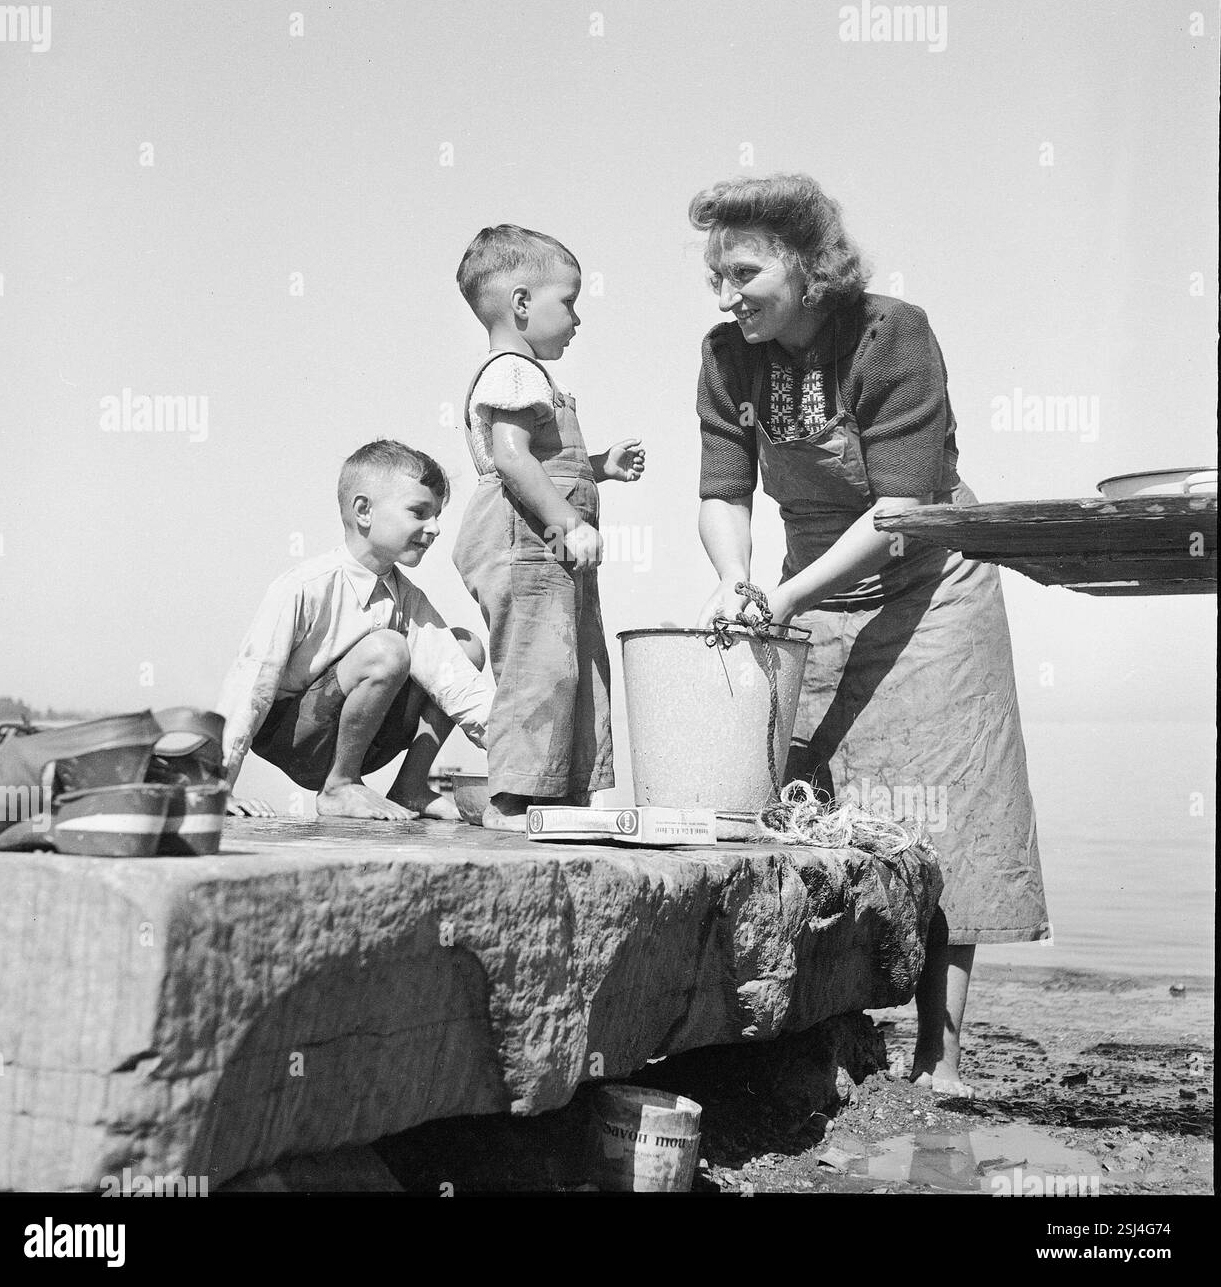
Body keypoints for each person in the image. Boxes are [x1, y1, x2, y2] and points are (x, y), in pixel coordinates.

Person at [690, 173, 1049, 1095]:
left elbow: (898, 507)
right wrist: (740, 581)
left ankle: (942, 1048)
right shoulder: (727, 356)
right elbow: (722, 494)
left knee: (947, 813)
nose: (727, 297)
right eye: (714, 278)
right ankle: (812, 1025)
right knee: (798, 791)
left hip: (930, 580)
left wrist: (785, 596)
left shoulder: (893, 334)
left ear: (810, 267)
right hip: (811, 576)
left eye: (744, 272)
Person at [451, 224, 645, 829]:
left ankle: (560, 797)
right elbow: (512, 457)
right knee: (538, 665)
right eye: (570, 302)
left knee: (573, 661)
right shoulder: (512, 368)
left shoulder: (530, 375)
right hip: (527, 540)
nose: (577, 319)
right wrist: (567, 519)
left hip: (548, 544)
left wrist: (597, 469)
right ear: (521, 303)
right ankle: (512, 799)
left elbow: (539, 459)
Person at [217, 438, 490, 821]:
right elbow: (253, 685)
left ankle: (410, 787)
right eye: (419, 512)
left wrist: (521, 762)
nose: (436, 528)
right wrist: (218, 785)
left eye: (438, 515)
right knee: (388, 649)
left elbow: (458, 682)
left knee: (465, 647)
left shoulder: (409, 597)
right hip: (295, 739)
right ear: (364, 511)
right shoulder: (306, 585)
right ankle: (339, 788)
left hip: (366, 737)